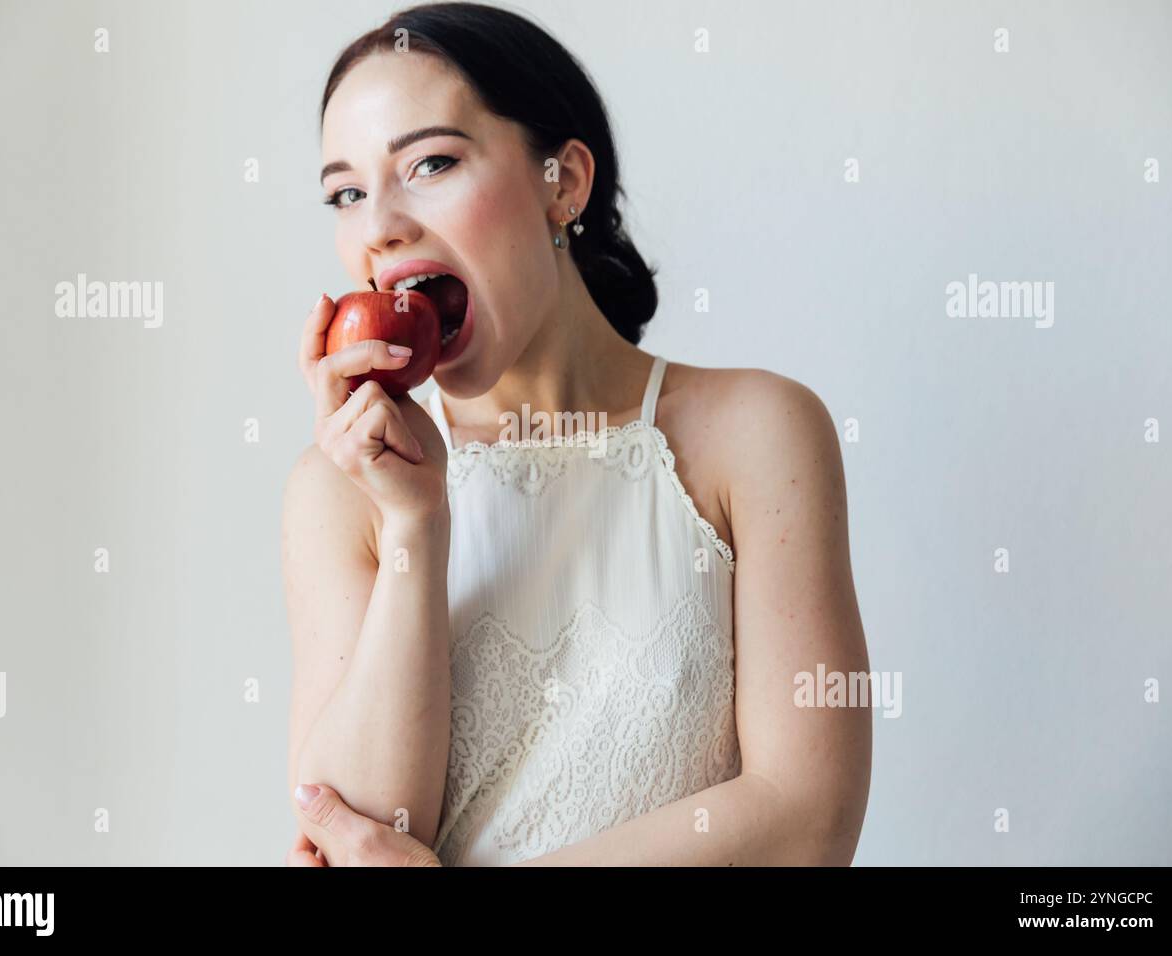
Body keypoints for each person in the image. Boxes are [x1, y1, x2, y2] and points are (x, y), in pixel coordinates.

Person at [283, 2, 871, 866]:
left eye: (431, 163)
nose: (378, 228)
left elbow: (806, 818)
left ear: (564, 181)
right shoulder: (342, 492)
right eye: (347, 193)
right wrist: (415, 524)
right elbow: (353, 835)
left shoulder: (758, 435)